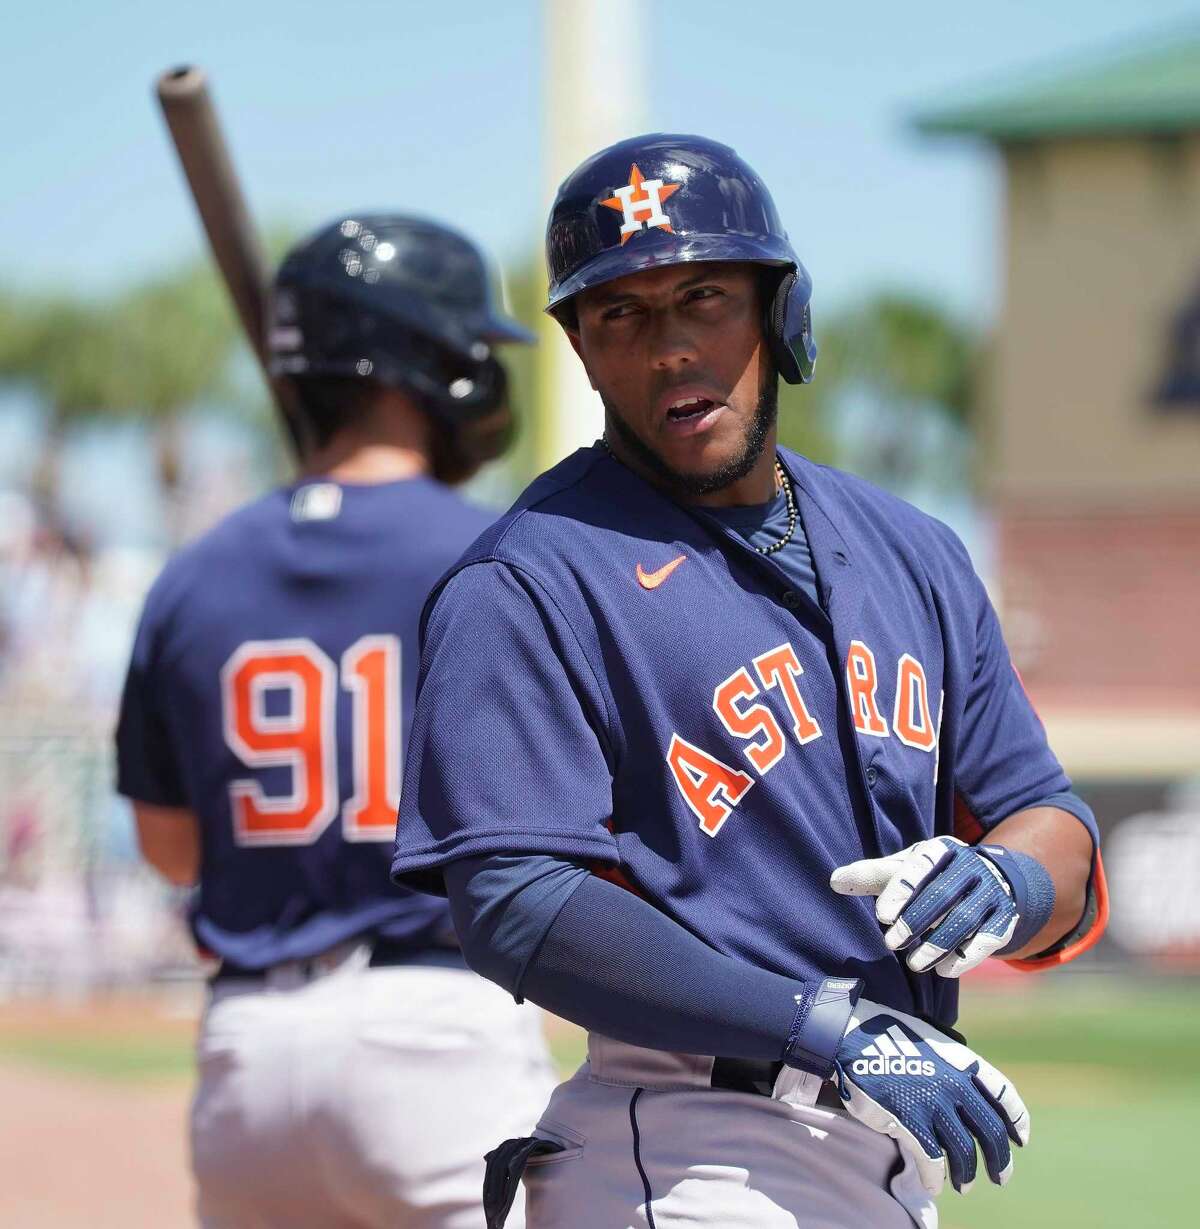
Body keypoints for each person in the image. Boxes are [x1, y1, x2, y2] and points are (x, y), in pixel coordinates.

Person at [390, 136, 1108, 1229]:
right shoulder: (528, 577)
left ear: (779, 312)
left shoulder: (911, 547)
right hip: (685, 1152)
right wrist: (823, 1025)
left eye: (703, 296)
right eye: (620, 315)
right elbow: (515, 901)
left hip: (880, 1153)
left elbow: (1049, 818)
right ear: (581, 349)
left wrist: (1007, 881)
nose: (670, 347)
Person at [116, 214, 555, 1229]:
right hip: (436, 1026)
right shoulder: (499, 553)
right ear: (427, 362)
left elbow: (170, 847)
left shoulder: (192, 574)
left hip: (251, 1049)